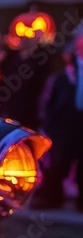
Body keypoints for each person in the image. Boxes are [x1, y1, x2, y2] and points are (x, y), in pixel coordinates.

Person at [34, 24, 83, 210]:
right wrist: (46, 122)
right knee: (59, 160)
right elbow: (48, 97)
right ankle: (52, 197)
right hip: (64, 121)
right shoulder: (63, 70)